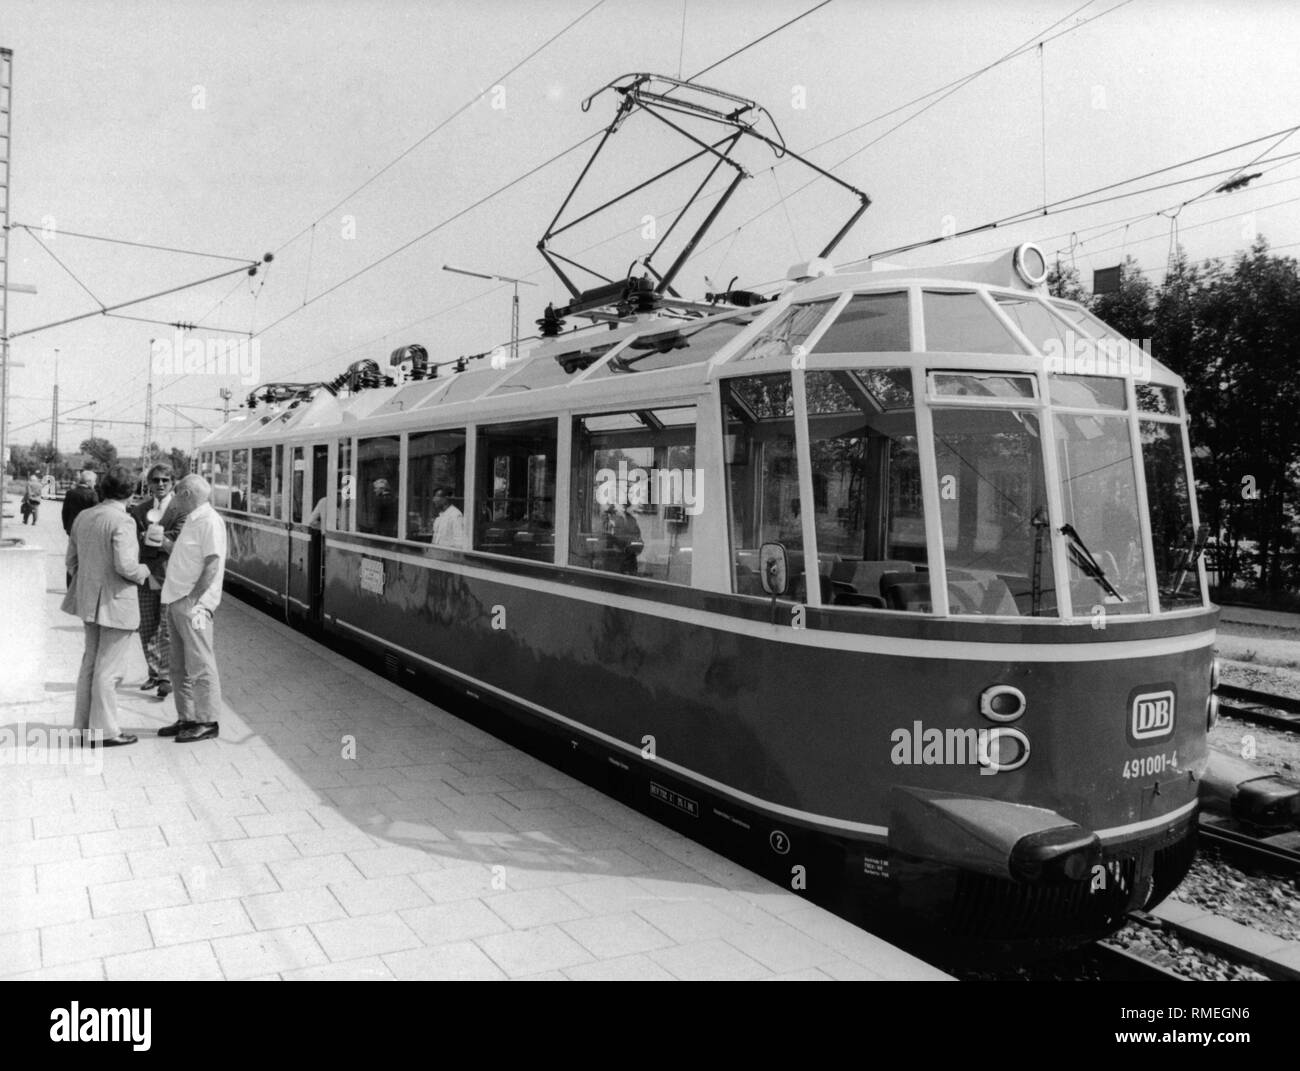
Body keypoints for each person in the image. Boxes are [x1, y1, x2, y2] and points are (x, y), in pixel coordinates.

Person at [60, 465, 153, 747]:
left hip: (88, 602)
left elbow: (71, 562)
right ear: (132, 491)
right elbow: (125, 565)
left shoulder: (84, 517)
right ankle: (107, 732)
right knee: (109, 669)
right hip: (115, 603)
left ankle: (84, 728)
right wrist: (144, 571)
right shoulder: (123, 521)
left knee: (90, 663)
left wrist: (89, 582)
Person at [157, 474, 227, 742]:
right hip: (176, 598)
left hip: (192, 604)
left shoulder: (210, 521)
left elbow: (212, 563)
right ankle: (187, 718)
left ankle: (207, 721)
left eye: (175, 493)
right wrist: (164, 543)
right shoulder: (193, 520)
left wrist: (195, 600)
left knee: (200, 663)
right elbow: (187, 555)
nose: (173, 499)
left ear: (186, 493)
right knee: (179, 666)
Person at [129, 464, 188, 698]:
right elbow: (134, 540)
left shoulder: (181, 509)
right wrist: (155, 539)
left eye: (165, 479)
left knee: (166, 629)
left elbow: (178, 540)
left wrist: (154, 537)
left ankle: (165, 676)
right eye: (155, 480)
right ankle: (153, 672)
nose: (160, 484)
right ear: (149, 483)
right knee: (146, 627)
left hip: (169, 577)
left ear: (172, 482)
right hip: (146, 575)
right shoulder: (139, 509)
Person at [604, 503, 643, 575]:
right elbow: (609, 540)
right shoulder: (610, 522)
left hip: (628, 560)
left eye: (613, 513)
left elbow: (637, 537)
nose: (610, 516)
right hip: (614, 561)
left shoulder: (631, 521)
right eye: (610, 514)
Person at [62, 470, 99, 534]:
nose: (95, 483)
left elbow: (65, 511)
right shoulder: (93, 494)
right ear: (88, 482)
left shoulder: (70, 493)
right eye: (94, 481)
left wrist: (66, 526)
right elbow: (96, 514)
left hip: (72, 527)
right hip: (87, 528)